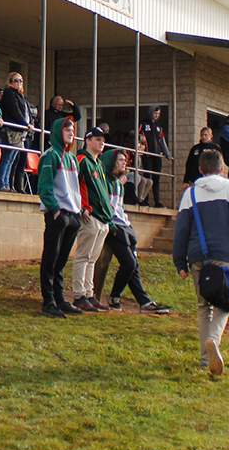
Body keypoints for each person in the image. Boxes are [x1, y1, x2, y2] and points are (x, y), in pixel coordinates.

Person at [172, 148, 229, 378]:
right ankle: (213, 340)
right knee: (224, 302)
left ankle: (205, 359)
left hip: (197, 255)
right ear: (222, 167)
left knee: (203, 305)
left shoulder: (190, 193)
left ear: (200, 169)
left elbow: (181, 230)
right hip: (223, 255)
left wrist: (180, 262)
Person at [93, 148, 171, 313]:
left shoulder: (119, 184)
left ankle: (142, 301)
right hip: (113, 228)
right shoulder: (104, 183)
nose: (124, 163)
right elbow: (105, 208)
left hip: (124, 227)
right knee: (129, 263)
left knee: (132, 265)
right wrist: (112, 225)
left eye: (125, 160)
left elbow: (119, 208)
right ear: (111, 162)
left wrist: (127, 225)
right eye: (120, 160)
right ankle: (116, 297)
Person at [36, 116, 84, 318]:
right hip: (58, 214)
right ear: (57, 131)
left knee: (62, 260)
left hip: (73, 214)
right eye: (67, 129)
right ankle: (48, 301)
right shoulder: (50, 156)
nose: (71, 133)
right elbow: (44, 187)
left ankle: (60, 298)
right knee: (51, 258)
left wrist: (78, 212)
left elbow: (75, 187)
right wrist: (55, 210)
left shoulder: (72, 158)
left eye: (72, 130)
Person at [68, 126, 115, 312]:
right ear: (87, 140)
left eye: (103, 140)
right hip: (91, 215)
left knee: (92, 258)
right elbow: (72, 184)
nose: (101, 143)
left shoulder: (99, 163)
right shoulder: (81, 160)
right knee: (84, 256)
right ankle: (79, 295)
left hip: (103, 217)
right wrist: (82, 208)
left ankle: (89, 294)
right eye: (97, 139)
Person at [0, 71, 29, 192]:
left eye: (21, 81)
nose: (19, 83)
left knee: (12, 159)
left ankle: (7, 184)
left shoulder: (20, 95)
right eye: (16, 80)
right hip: (11, 130)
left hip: (19, 132)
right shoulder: (9, 93)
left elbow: (25, 113)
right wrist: (25, 124)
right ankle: (1, 184)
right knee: (7, 158)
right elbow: (15, 111)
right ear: (10, 82)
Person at [138, 106, 170, 207]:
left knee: (156, 178)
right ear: (150, 112)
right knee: (147, 177)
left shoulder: (159, 126)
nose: (156, 115)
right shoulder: (143, 124)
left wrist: (167, 153)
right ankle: (144, 200)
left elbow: (162, 141)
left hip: (157, 156)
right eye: (155, 113)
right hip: (147, 155)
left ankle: (157, 201)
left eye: (158, 114)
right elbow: (137, 136)